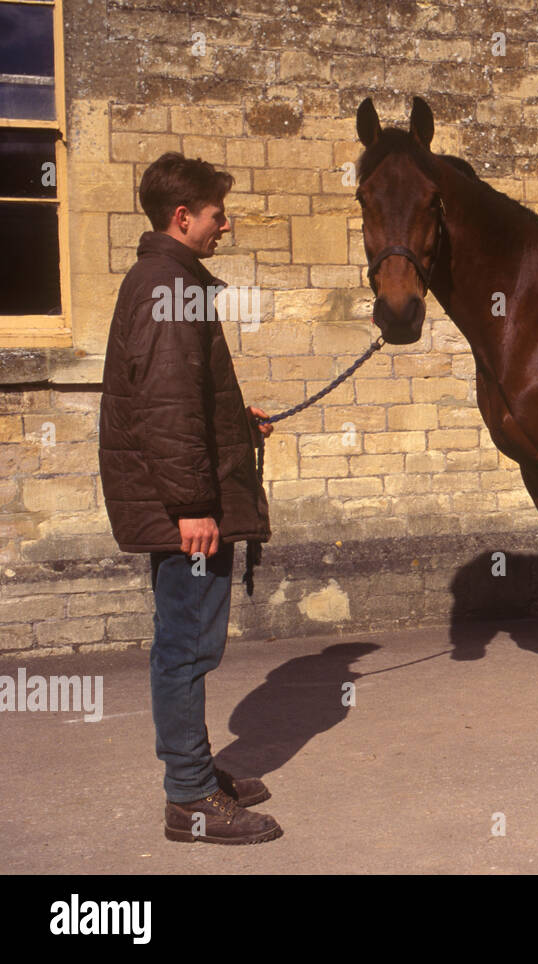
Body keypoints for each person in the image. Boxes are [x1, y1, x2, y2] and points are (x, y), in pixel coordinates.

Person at [99, 152, 282, 843]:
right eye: (215, 214)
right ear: (183, 216)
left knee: (188, 641)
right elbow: (167, 405)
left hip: (184, 497)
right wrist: (191, 506)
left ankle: (196, 770)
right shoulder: (164, 283)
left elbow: (183, 397)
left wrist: (240, 422)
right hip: (186, 510)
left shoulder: (167, 279)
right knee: (186, 645)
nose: (224, 225)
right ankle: (188, 797)